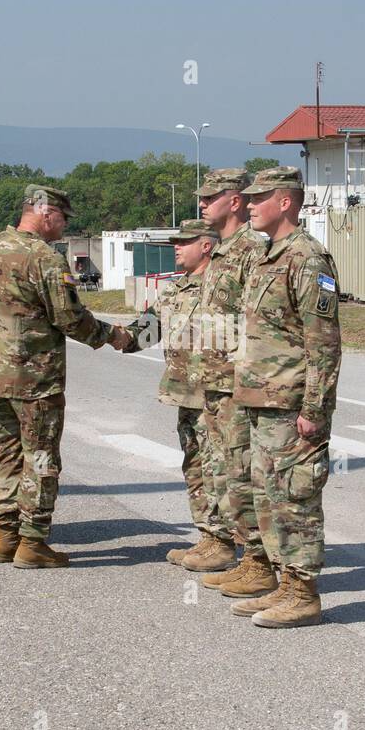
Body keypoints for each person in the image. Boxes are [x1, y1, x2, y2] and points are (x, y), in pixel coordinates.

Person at [0, 184, 130, 568]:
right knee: (39, 457)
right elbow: (71, 319)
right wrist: (114, 336)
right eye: (63, 218)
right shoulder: (45, 259)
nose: (64, 226)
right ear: (46, 213)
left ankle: (5, 536)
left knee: (5, 456)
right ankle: (33, 542)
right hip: (34, 381)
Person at [228, 167, 341, 628]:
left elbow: (324, 342)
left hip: (293, 404)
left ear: (285, 202)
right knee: (268, 496)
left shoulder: (308, 259)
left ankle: (304, 592)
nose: (249, 205)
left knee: (296, 497)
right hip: (260, 399)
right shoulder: (265, 255)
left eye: (259, 198)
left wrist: (315, 409)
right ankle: (282, 583)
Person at [125, 219, 236, 569]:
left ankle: (225, 542)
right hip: (184, 396)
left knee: (222, 470)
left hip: (218, 398)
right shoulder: (175, 290)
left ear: (206, 245)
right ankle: (207, 536)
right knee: (195, 466)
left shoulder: (226, 286)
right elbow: (144, 332)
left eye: (184, 241)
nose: (176, 247)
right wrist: (100, 334)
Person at [191, 168, 273, 597]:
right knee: (224, 474)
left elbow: (261, 321)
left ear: (235, 200)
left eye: (210, 198)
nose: (202, 205)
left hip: (239, 384)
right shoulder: (225, 251)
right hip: (217, 383)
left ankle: (259, 563)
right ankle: (243, 553)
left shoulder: (251, 251)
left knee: (243, 475)